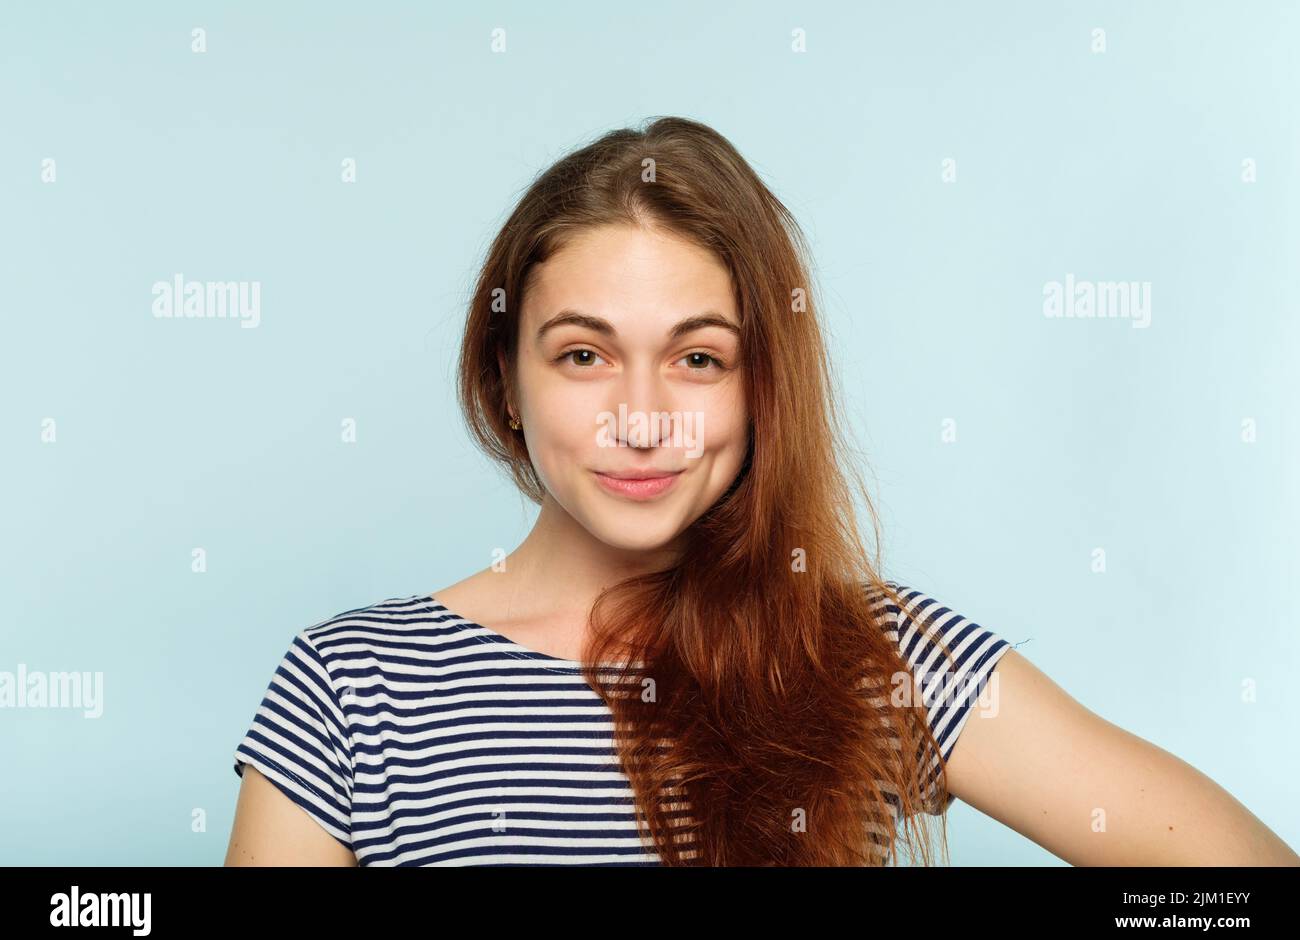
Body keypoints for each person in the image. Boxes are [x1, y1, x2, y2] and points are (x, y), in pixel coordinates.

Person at [225, 117, 1298, 867]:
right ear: (506, 378)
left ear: (759, 388)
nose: (641, 418)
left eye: (698, 359)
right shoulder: (352, 681)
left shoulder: (872, 653)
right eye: (583, 356)